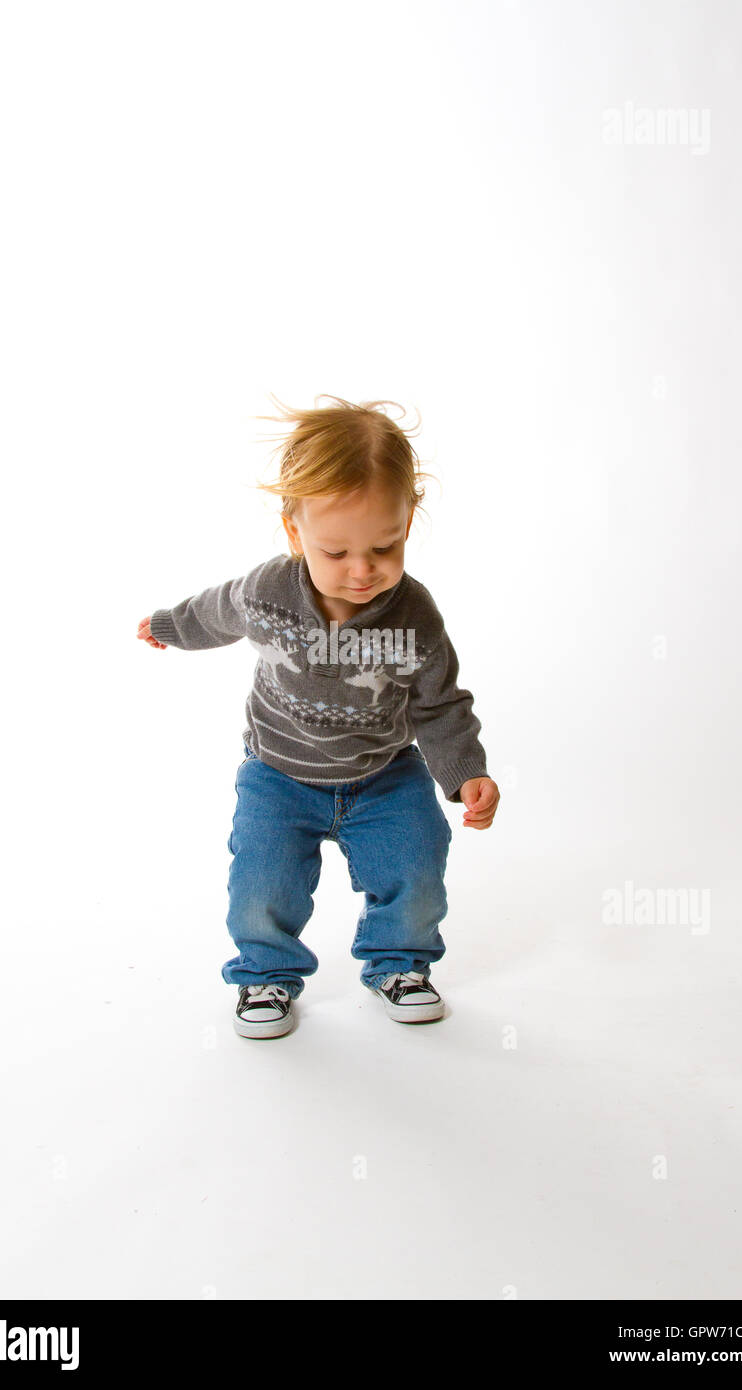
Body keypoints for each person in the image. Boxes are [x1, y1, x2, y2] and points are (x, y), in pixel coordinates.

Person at [137, 394, 499, 1039]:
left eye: (384, 549)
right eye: (336, 554)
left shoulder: (415, 616)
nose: (362, 573)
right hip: (279, 776)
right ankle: (265, 973)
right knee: (261, 879)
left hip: (384, 773)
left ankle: (400, 963)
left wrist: (464, 770)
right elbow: (214, 612)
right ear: (294, 532)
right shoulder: (265, 592)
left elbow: (439, 702)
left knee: (418, 864)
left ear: (408, 523)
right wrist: (171, 626)